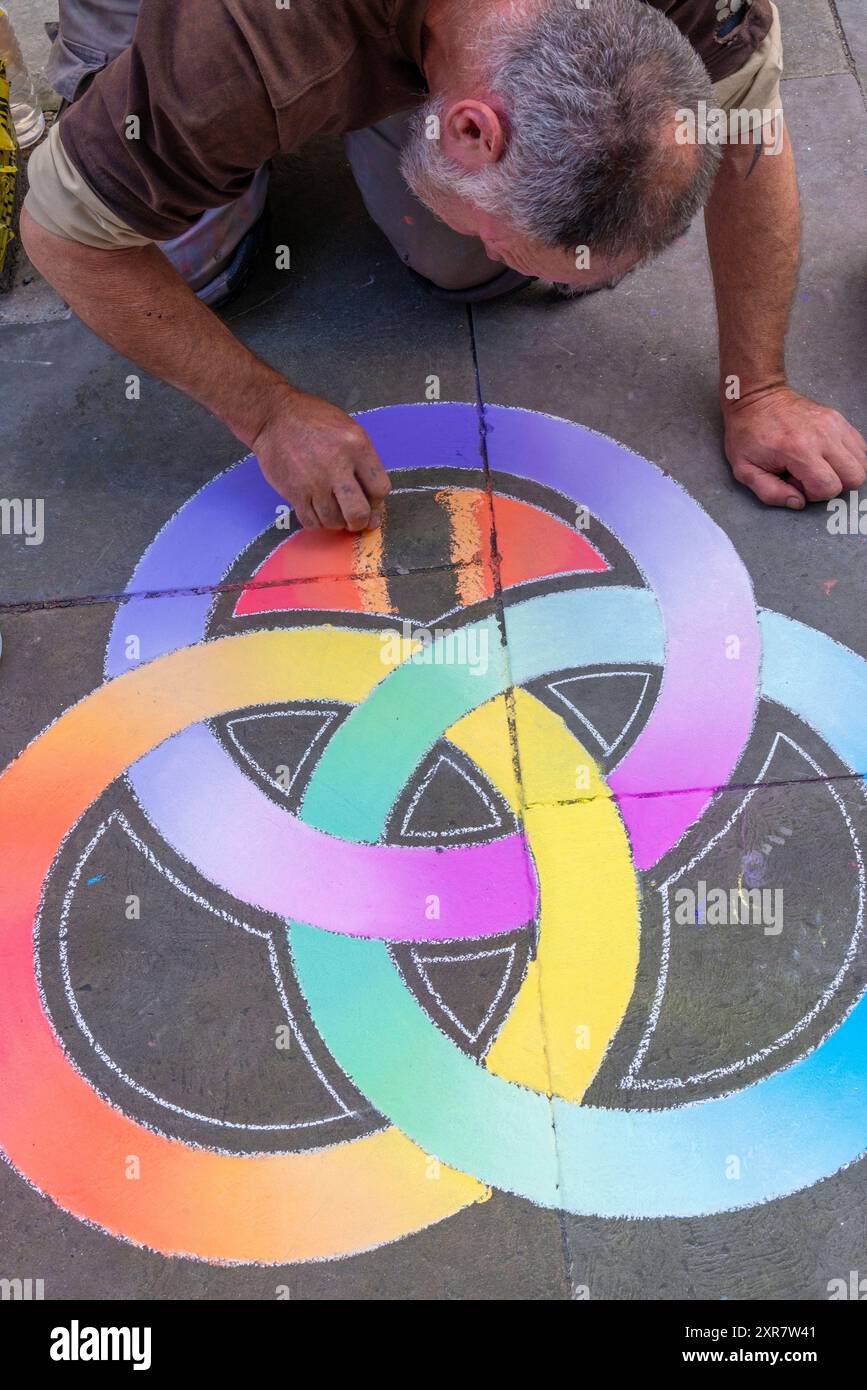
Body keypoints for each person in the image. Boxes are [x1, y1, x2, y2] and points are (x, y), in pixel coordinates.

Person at [22, 0, 866, 531]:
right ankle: (113, 49)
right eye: (518, 236)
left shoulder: (693, 10)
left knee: (464, 265)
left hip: (409, 39)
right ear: (470, 128)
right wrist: (266, 415)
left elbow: (747, 133)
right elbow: (63, 237)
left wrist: (756, 388)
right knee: (180, 262)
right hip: (254, 41)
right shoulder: (233, 53)